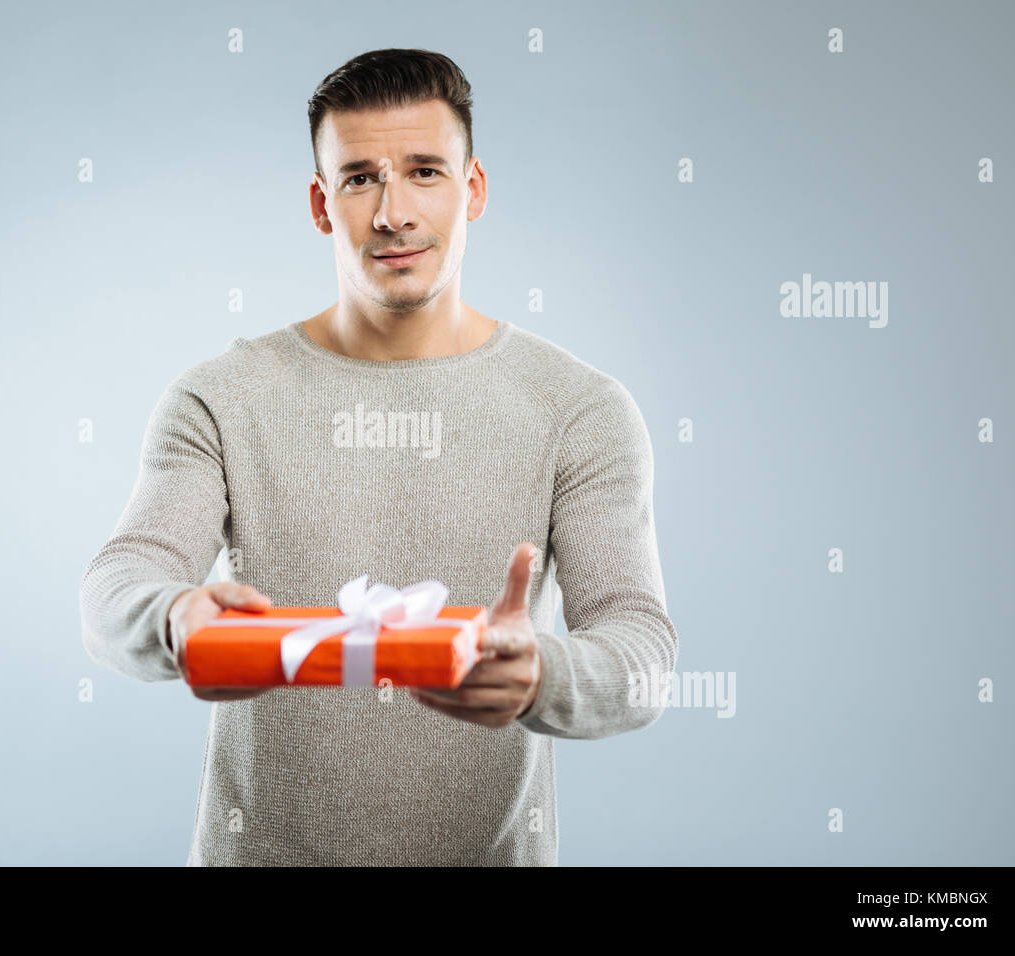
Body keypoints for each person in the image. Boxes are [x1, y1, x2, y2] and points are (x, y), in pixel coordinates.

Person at [78, 48, 678, 866]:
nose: (393, 212)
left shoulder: (581, 409)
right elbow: (118, 586)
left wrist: (542, 675)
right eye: (360, 178)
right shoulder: (221, 397)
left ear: (473, 190)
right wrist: (177, 620)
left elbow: (640, 648)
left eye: (424, 171)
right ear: (323, 205)